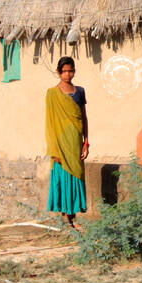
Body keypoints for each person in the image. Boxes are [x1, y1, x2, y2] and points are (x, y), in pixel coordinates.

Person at [46, 56, 88, 229]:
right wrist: (54, 150)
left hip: (76, 141)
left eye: (70, 71)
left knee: (76, 177)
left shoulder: (80, 91)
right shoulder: (52, 94)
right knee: (63, 177)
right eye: (64, 71)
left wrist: (86, 142)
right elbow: (50, 122)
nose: (67, 74)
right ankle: (65, 217)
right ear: (58, 72)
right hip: (61, 144)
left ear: (74, 71)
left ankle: (73, 216)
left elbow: (83, 117)